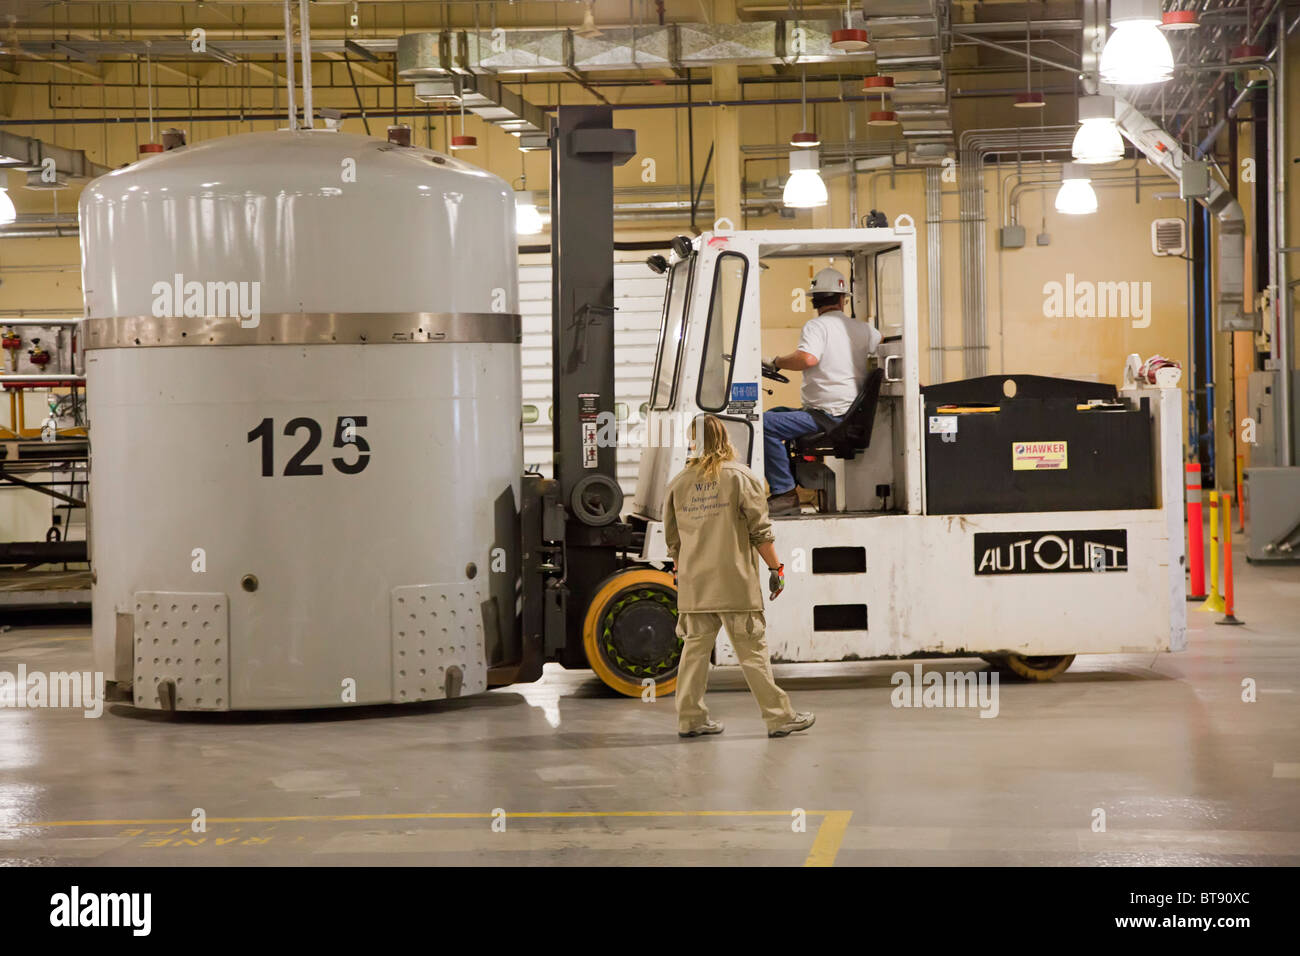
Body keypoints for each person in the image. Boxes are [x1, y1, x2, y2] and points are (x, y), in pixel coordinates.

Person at [663, 414, 815, 739]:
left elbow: (673, 542)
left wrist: (684, 573)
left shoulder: (677, 484)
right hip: (734, 584)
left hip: (695, 587)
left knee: (694, 654)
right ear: (725, 438)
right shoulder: (741, 477)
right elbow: (760, 531)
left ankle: (690, 719)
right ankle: (779, 717)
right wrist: (777, 569)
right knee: (752, 653)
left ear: (692, 441)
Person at [764, 267, 882, 516]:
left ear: (815, 301)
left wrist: (776, 362)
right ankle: (787, 481)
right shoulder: (865, 330)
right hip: (843, 413)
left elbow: (807, 359)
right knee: (773, 414)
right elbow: (880, 345)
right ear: (842, 299)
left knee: (762, 424)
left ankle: (784, 493)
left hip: (827, 416)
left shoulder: (816, 327)